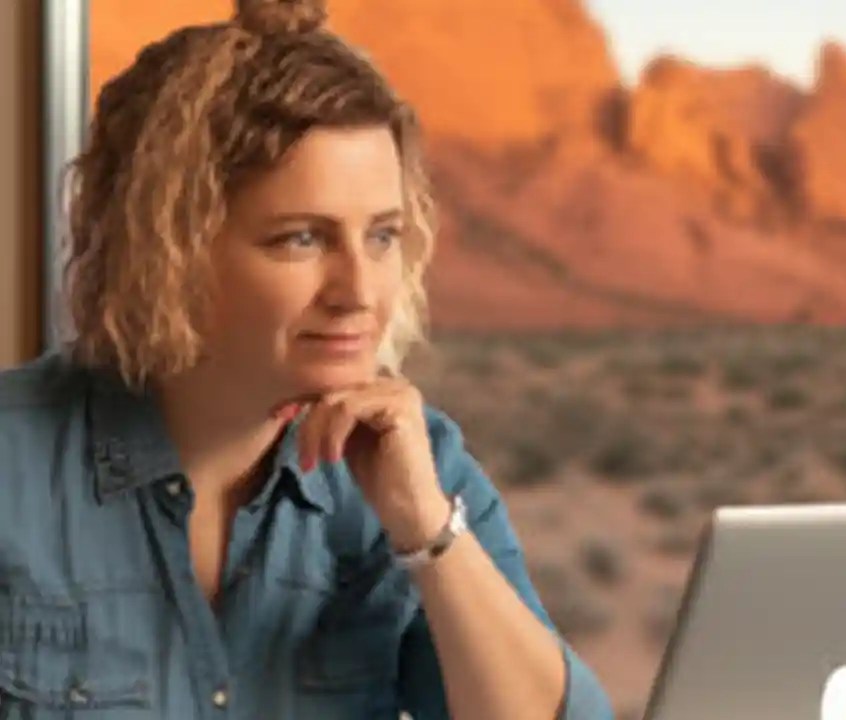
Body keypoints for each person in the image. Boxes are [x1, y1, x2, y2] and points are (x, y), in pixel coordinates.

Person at [0, 0, 613, 717]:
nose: (359, 290)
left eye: (382, 236)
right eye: (302, 239)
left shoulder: (423, 464)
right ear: (164, 250)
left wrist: (425, 531)